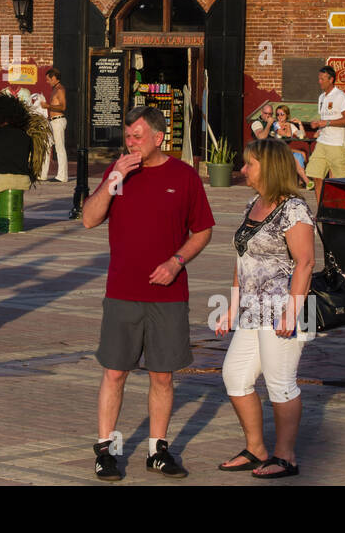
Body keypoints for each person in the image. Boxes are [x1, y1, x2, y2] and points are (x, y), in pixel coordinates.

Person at [80, 105, 215, 482]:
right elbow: (89, 219)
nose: (131, 142)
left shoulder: (184, 176)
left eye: (138, 136)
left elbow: (202, 230)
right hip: (122, 291)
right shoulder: (118, 173)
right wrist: (112, 180)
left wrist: (176, 262)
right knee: (115, 372)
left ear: (159, 137)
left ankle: (158, 449)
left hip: (169, 295)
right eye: (127, 137)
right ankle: (105, 450)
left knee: (162, 376)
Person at [215, 138, 315, 479]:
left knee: (280, 383)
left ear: (269, 167)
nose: (243, 169)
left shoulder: (293, 209)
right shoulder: (253, 203)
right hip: (253, 310)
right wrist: (232, 307)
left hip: (284, 308)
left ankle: (286, 456)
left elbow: (305, 262)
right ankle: (256, 449)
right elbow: (242, 258)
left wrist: (292, 310)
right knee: (235, 376)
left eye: (249, 164)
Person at [305, 65, 345, 203]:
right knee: (316, 176)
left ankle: (339, 210)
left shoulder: (340, 96)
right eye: (319, 78)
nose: (319, 81)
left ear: (331, 79)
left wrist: (326, 123)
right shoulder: (321, 97)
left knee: (340, 182)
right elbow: (324, 120)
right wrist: (318, 125)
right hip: (322, 143)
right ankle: (321, 210)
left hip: (336, 145)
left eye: (322, 79)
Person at [269, 104, 310, 187]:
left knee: (301, 155)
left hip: (285, 149)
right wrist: (288, 127)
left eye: (282, 114)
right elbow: (286, 136)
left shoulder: (290, 125)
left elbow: (302, 136)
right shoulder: (275, 124)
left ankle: (301, 180)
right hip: (275, 150)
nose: (279, 116)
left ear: (287, 115)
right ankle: (305, 180)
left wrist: (300, 123)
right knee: (298, 156)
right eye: (277, 114)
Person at [39, 67, 68, 183]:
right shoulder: (55, 89)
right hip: (52, 121)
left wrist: (48, 106)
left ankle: (62, 176)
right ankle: (42, 174)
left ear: (54, 78)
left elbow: (63, 107)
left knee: (59, 148)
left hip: (58, 120)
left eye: (48, 79)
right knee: (46, 145)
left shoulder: (60, 89)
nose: (47, 82)